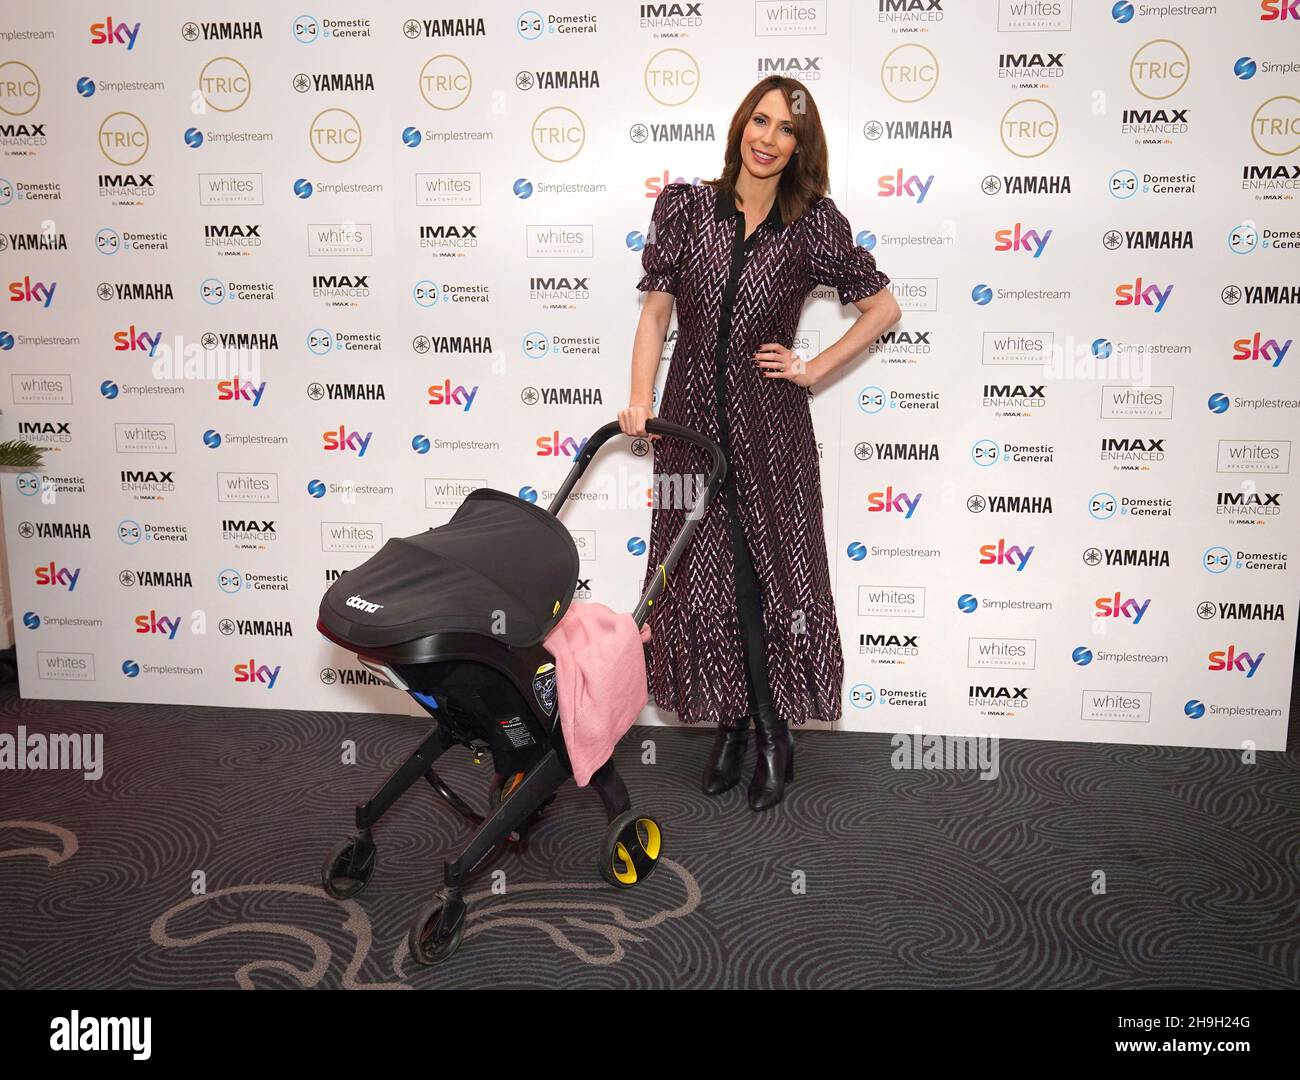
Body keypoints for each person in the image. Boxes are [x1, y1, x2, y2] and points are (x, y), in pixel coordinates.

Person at [619, 76, 901, 811]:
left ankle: (769, 729)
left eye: (786, 131)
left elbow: (883, 308)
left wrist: (811, 368)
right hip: (687, 428)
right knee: (701, 575)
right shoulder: (685, 208)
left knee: (761, 577)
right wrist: (640, 400)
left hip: (769, 428)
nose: (768, 138)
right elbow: (655, 317)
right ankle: (736, 725)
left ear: (800, 149)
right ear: (742, 123)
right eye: (761, 120)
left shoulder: (813, 225)